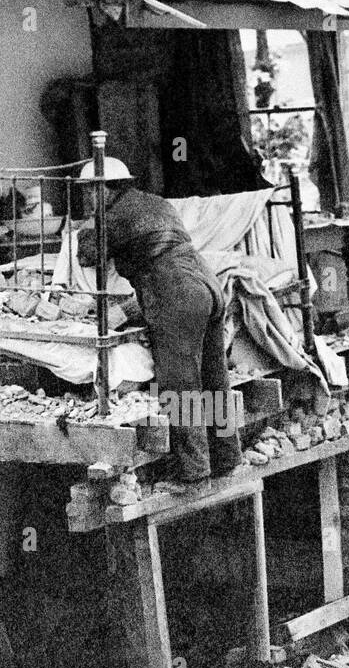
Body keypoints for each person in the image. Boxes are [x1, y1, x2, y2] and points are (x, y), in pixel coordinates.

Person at [75, 158, 241, 487]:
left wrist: (86, 228)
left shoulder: (113, 216)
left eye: (91, 192)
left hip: (178, 296)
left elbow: (87, 254)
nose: (89, 199)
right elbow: (157, 259)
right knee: (214, 376)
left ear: (104, 189)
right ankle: (227, 455)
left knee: (180, 385)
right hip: (205, 284)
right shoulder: (155, 203)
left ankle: (192, 471)